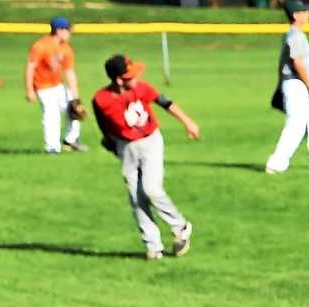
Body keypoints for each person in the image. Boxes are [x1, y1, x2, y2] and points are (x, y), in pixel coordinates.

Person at [90, 53, 199, 262]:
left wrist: (188, 122)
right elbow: (103, 124)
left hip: (150, 141)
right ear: (119, 79)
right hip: (126, 147)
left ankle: (180, 226)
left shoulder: (142, 88)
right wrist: (111, 143)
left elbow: (166, 103)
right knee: (136, 198)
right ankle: (153, 246)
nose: (137, 78)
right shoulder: (101, 99)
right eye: (131, 75)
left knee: (151, 189)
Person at [264, 0, 309, 175]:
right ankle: (276, 163)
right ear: (295, 15)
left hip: (297, 83)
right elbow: (297, 62)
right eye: (304, 11)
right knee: (297, 124)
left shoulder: (295, 33)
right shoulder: (295, 35)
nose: (308, 14)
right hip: (296, 84)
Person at [26, 16, 85, 155]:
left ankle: (71, 140)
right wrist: (29, 90)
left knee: (74, 110)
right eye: (67, 30)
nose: (70, 33)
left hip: (58, 86)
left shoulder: (66, 48)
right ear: (59, 30)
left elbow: (69, 72)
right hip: (43, 87)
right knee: (51, 116)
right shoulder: (41, 45)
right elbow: (30, 66)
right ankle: (52, 147)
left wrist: (75, 97)